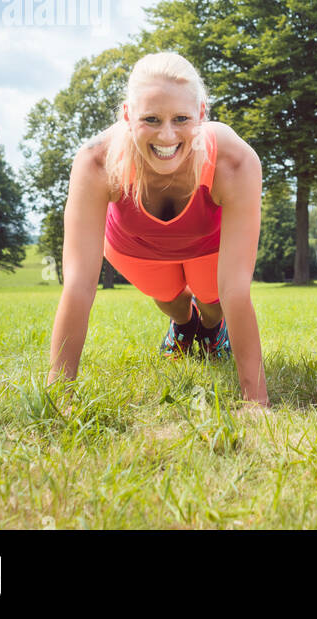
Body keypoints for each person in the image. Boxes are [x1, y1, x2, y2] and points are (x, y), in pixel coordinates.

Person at [46, 51, 269, 407]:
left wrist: (255, 403)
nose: (167, 135)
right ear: (126, 116)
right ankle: (183, 325)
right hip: (135, 247)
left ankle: (212, 330)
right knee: (172, 302)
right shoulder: (96, 160)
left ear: (201, 113)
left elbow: (237, 289)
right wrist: (60, 397)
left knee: (214, 302)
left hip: (208, 244)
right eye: (151, 119)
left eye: (181, 118)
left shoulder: (235, 160)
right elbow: (79, 284)